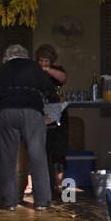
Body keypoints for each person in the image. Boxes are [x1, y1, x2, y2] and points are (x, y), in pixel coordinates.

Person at [0, 44, 55, 211]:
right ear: (25, 55)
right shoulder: (34, 67)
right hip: (31, 112)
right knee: (37, 155)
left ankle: (10, 202)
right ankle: (42, 202)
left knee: (7, 158)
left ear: (7, 57)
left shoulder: (1, 69)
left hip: (7, 113)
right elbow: (49, 89)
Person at [35, 45, 69, 194]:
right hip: (39, 112)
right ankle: (35, 184)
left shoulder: (57, 70)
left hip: (57, 114)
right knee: (39, 149)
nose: (43, 64)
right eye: (41, 61)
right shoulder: (33, 71)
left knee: (58, 150)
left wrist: (47, 69)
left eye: (46, 61)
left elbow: (63, 78)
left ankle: (59, 185)